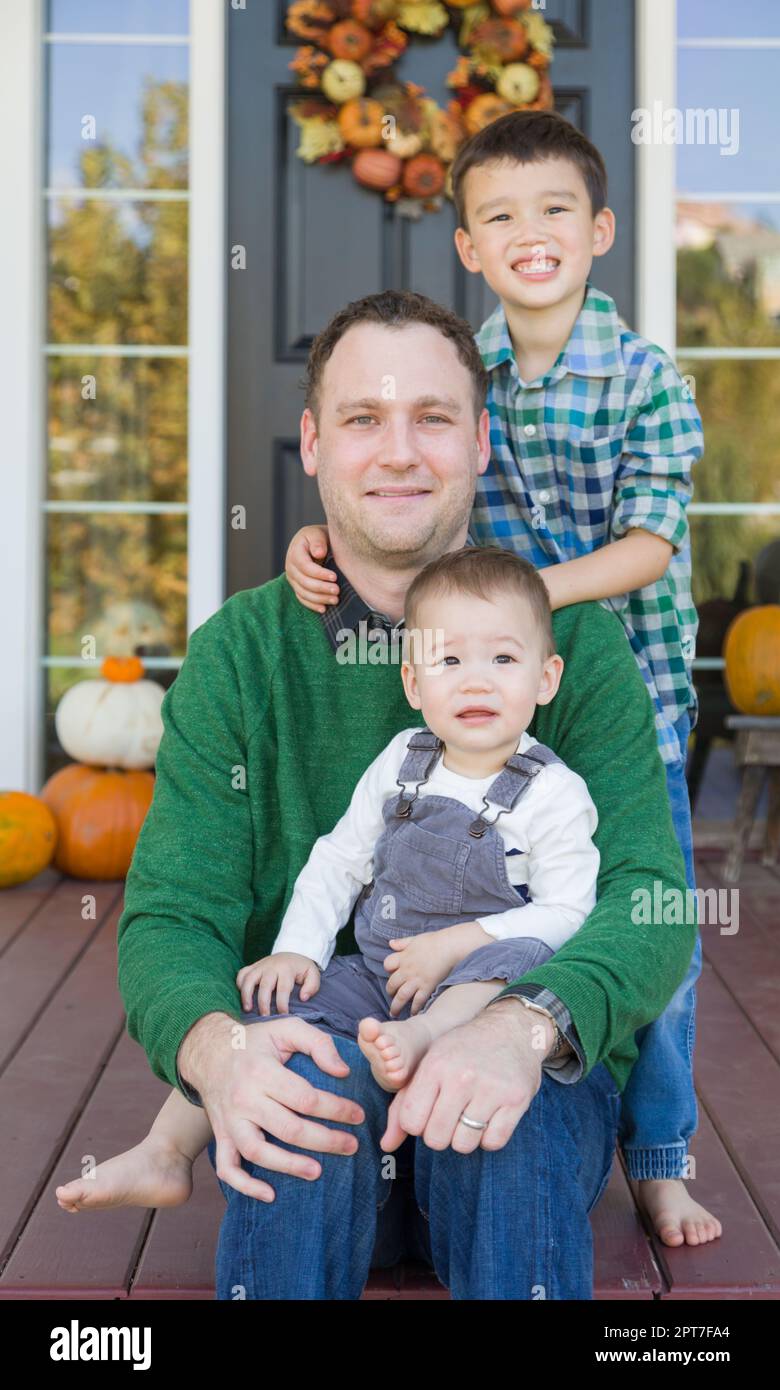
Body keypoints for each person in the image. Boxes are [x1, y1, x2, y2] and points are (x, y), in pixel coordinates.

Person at [62, 290, 697, 1299]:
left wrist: (521, 1026)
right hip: (326, 1065)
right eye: (364, 418)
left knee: (512, 1117)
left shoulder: (570, 643)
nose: (399, 452)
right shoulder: (241, 655)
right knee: (295, 1079)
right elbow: (174, 916)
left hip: (518, 1079)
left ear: (481, 441)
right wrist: (220, 1051)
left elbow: (648, 899)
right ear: (313, 442)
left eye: (433, 418)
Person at [284, 111, 720, 1249]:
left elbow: (651, 547)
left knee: (655, 928)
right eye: (500, 216)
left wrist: (531, 592)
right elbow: (414, 492)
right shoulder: (467, 372)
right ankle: (448, 1032)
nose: (531, 233)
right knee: (497, 888)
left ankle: (660, 1158)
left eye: (555, 211)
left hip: (632, 696)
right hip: (488, 689)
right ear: (470, 246)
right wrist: (316, 544)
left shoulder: (644, 379)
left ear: (602, 229)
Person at [56, 547, 600, 1210]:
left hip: (478, 988)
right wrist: (298, 950)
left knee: (504, 968)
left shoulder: (551, 792)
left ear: (546, 679)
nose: (476, 682)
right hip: (381, 970)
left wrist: (459, 943)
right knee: (265, 1020)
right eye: (449, 661)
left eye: (503, 660)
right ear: (413, 683)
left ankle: (421, 1037)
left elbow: (571, 911)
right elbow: (338, 859)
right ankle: (165, 1150)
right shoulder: (405, 760)